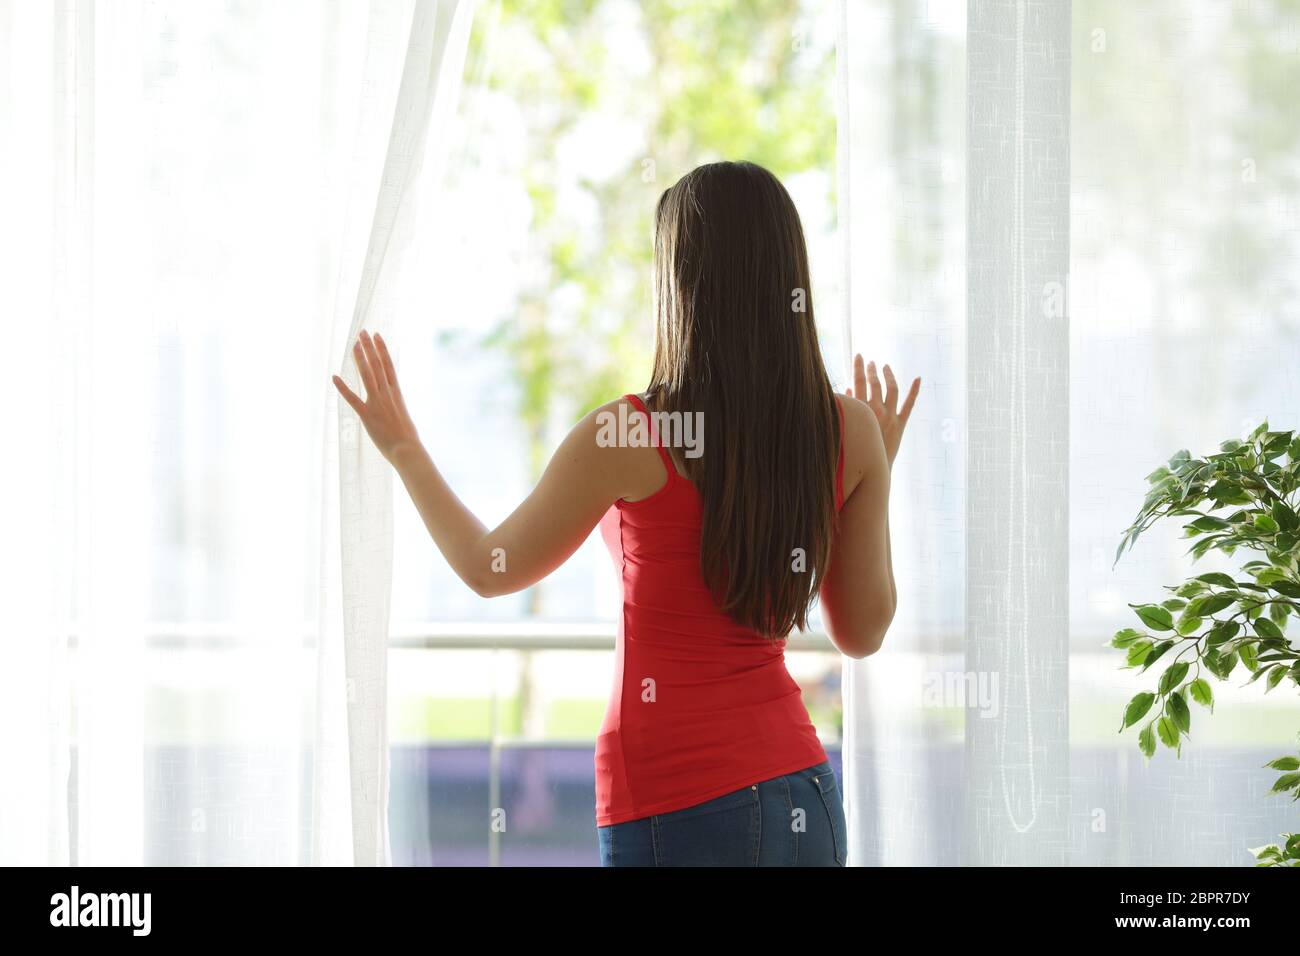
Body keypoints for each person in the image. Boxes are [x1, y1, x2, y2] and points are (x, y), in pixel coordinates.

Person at [333, 160, 919, 866]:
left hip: (680, 807)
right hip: (805, 794)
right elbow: (861, 632)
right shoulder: (850, 431)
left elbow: (489, 568)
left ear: (682, 285)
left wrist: (405, 449)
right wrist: (872, 470)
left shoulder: (631, 434)